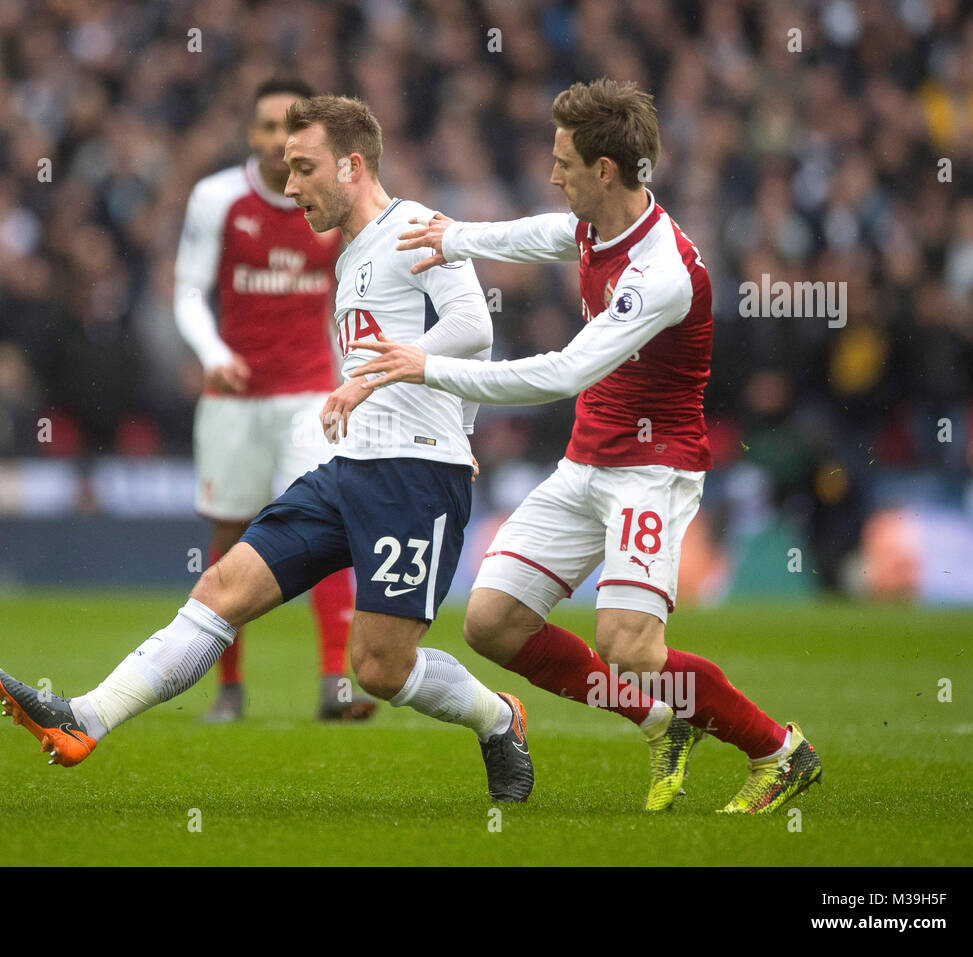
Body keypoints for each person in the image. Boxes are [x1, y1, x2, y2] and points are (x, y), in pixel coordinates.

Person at [0, 94, 534, 803]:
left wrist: (401, 398)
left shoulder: (419, 227)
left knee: (378, 668)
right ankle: (84, 717)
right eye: (284, 169)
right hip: (350, 470)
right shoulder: (349, 255)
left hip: (415, 478)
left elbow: (471, 327)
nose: (292, 184)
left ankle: (498, 718)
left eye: (304, 168)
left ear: (353, 164)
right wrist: (436, 408)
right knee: (221, 587)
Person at [350, 78, 822, 815]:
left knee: (630, 647)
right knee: (491, 622)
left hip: (652, 470)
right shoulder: (596, 227)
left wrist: (429, 366)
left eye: (563, 160)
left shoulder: (661, 272)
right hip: (587, 461)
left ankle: (778, 748)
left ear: (606, 170)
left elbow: (566, 370)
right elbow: (539, 232)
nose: (552, 171)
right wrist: (457, 236)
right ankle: (659, 721)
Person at [173, 77, 367, 723]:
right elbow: (187, 292)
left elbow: (353, 297)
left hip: (309, 394)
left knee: (328, 526)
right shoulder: (217, 198)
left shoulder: (335, 202)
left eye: (292, 130)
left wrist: (351, 378)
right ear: (250, 135)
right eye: (267, 127)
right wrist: (212, 354)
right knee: (230, 534)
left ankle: (335, 683)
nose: (278, 141)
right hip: (234, 395)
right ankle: (228, 688)